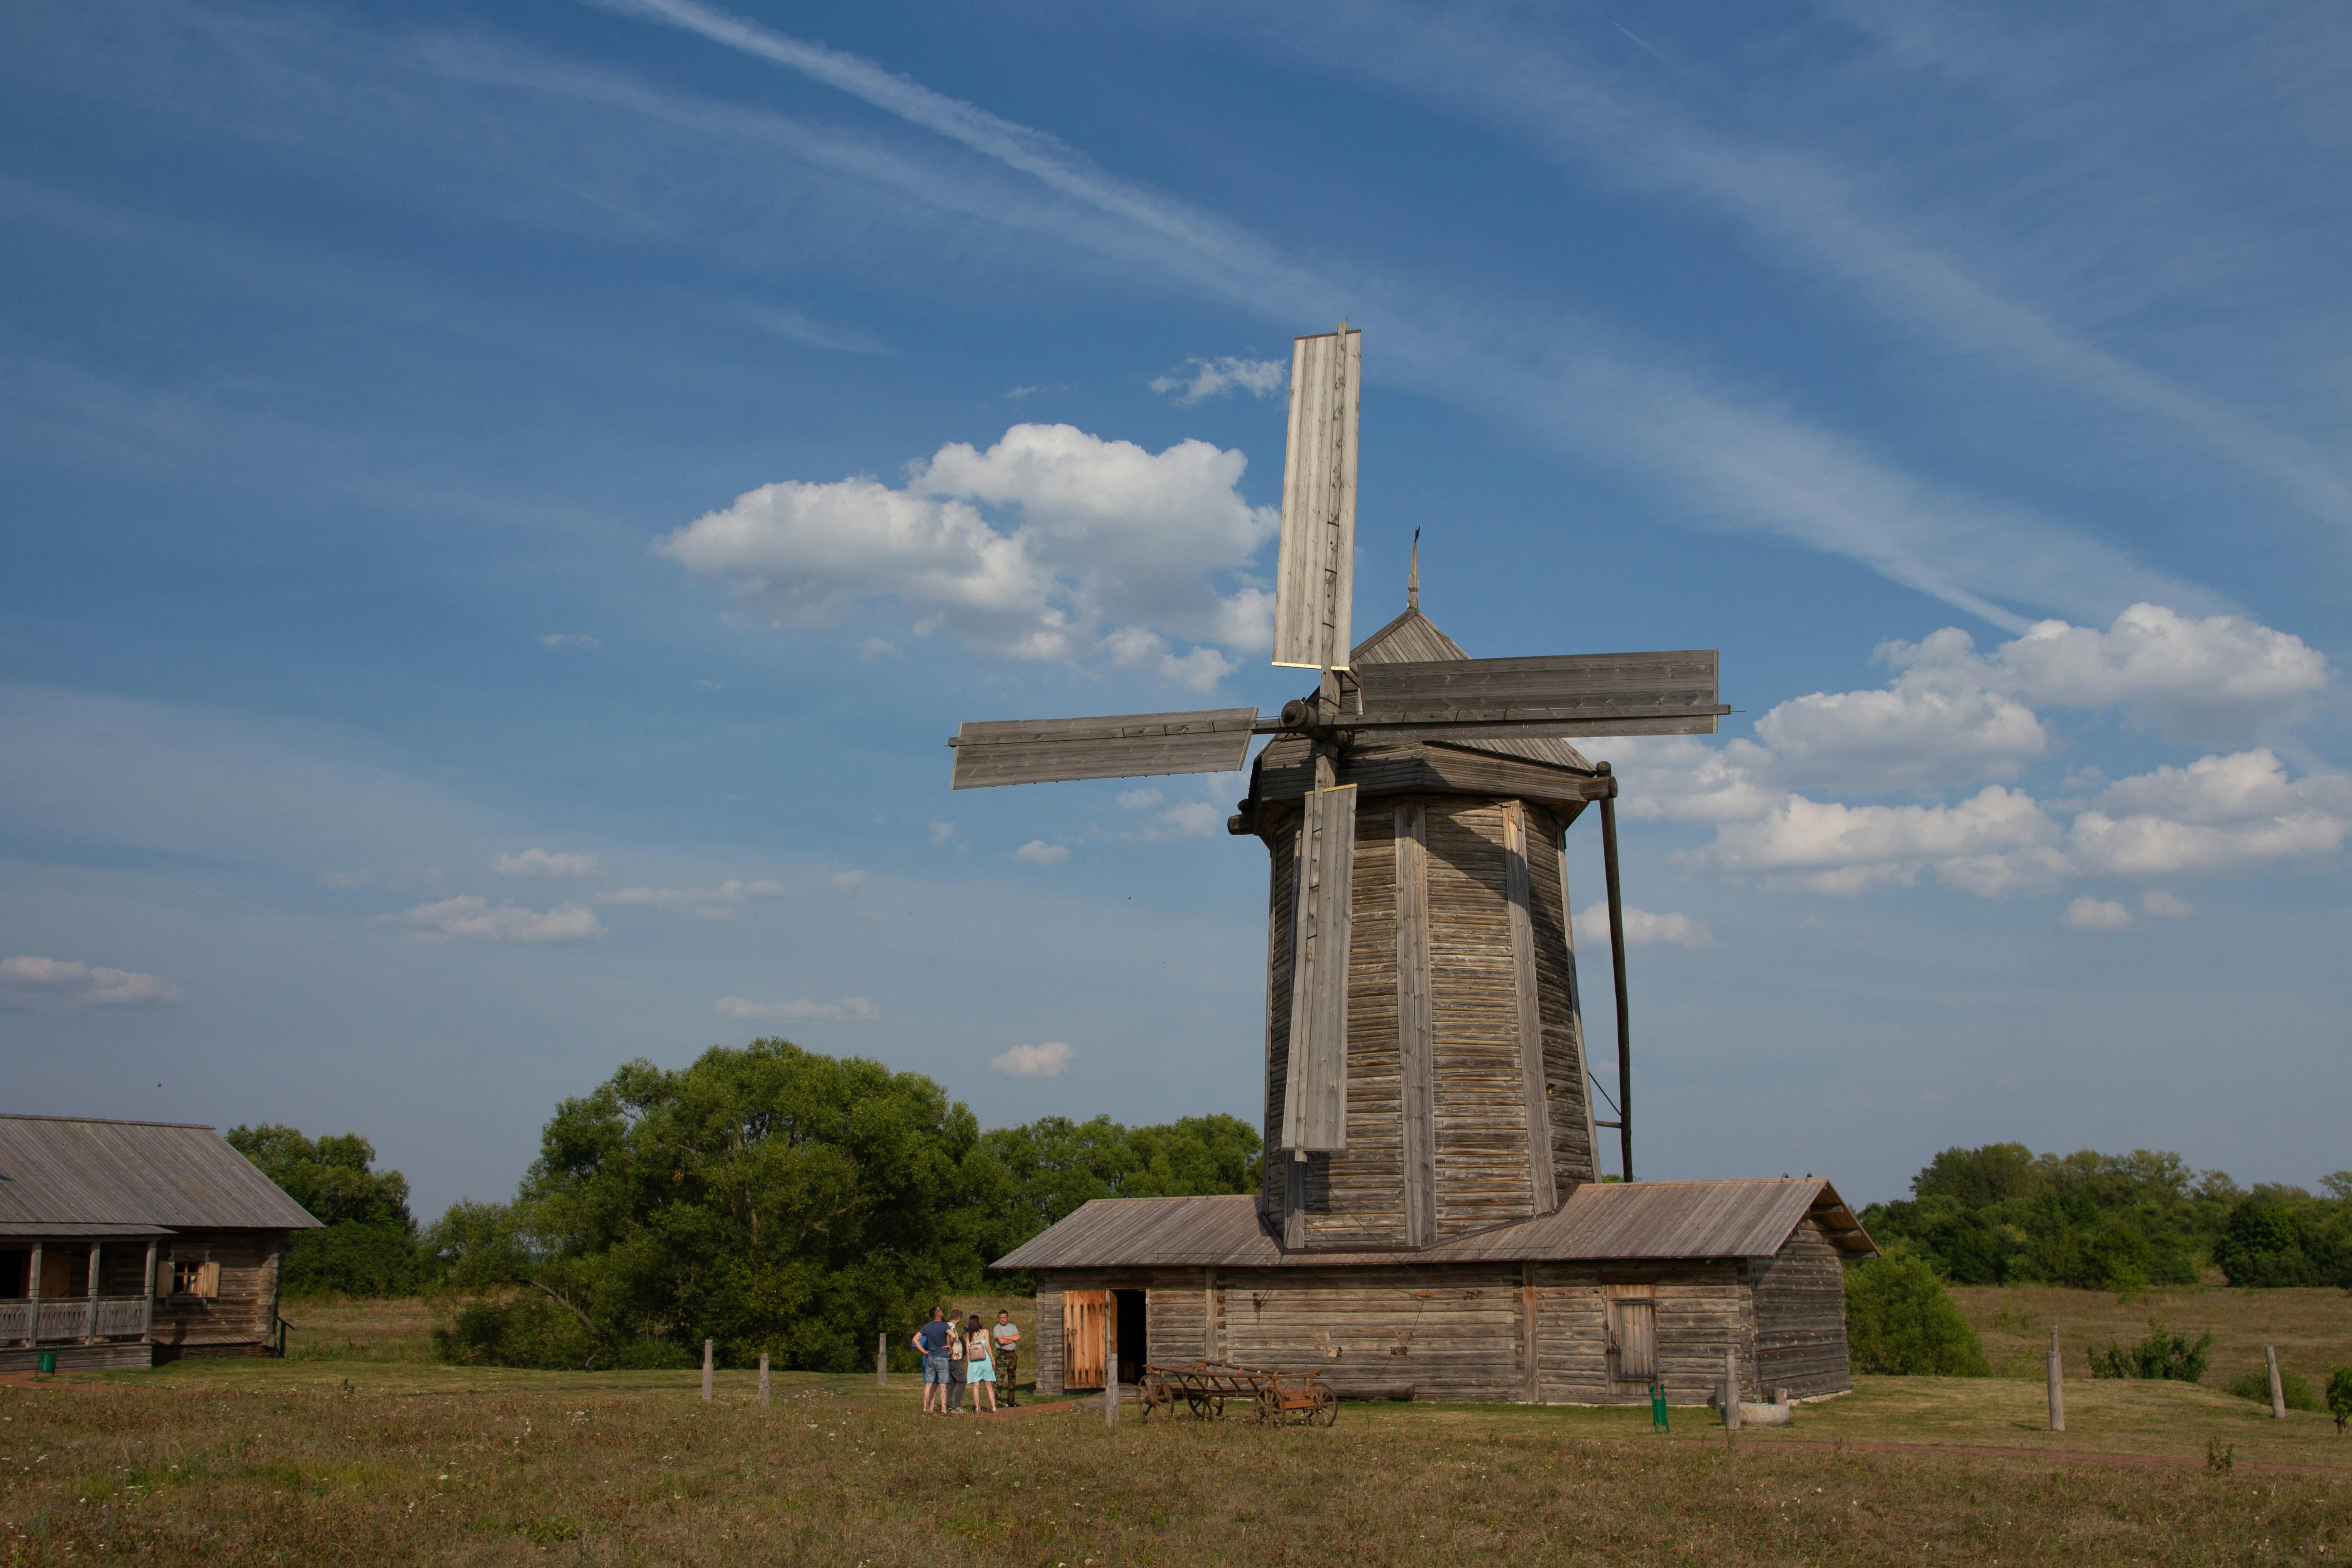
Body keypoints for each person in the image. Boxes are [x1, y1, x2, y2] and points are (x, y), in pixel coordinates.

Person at [913, 1307, 953, 1415]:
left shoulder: (927, 1327)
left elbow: (915, 1340)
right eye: (941, 1310)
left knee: (929, 1384)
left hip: (931, 1358)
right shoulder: (945, 1326)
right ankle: (943, 1410)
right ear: (938, 1314)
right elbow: (953, 1335)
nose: (942, 1311)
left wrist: (925, 1352)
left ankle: (925, 1408)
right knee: (943, 1384)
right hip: (942, 1357)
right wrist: (950, 1346)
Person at [963, 1313, 997, 1413]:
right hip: (985, 1359)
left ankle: (977, 1408)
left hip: (974, 1362)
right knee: (988, 1385)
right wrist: (992, 1359)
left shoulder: (968, 1334)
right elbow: (988, 1347)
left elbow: (968, 1350)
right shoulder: (985, 1332)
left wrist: (969, 1364)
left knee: (976, 1386)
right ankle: (994, 1407)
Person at [991, 1309, 1021, 1407]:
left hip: (1012, 1355)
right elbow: (1001, 1341)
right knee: (999, 1378)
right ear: (999, 1318)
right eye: (1001, 1318)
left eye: (1004, 1317)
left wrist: (1007, 1338)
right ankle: (998, 1400)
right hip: (1002, 1355)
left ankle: (1011, 1400)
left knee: (1012, 1377)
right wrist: (1012, 1338)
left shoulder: (1013, 1326)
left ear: (1008, 1318)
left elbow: (1018, 1337)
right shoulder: (997, 1328)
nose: (1003, 1320)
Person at [945, 1308, 967, 1413]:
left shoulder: (948, 1326)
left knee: (951, 1383)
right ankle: (956, 1405)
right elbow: (950, 1339)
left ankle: (948, 1404)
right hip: (954, 1359)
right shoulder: (951, 1328)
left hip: (953, 1359)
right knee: (962, 1380)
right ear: (959, 1318)